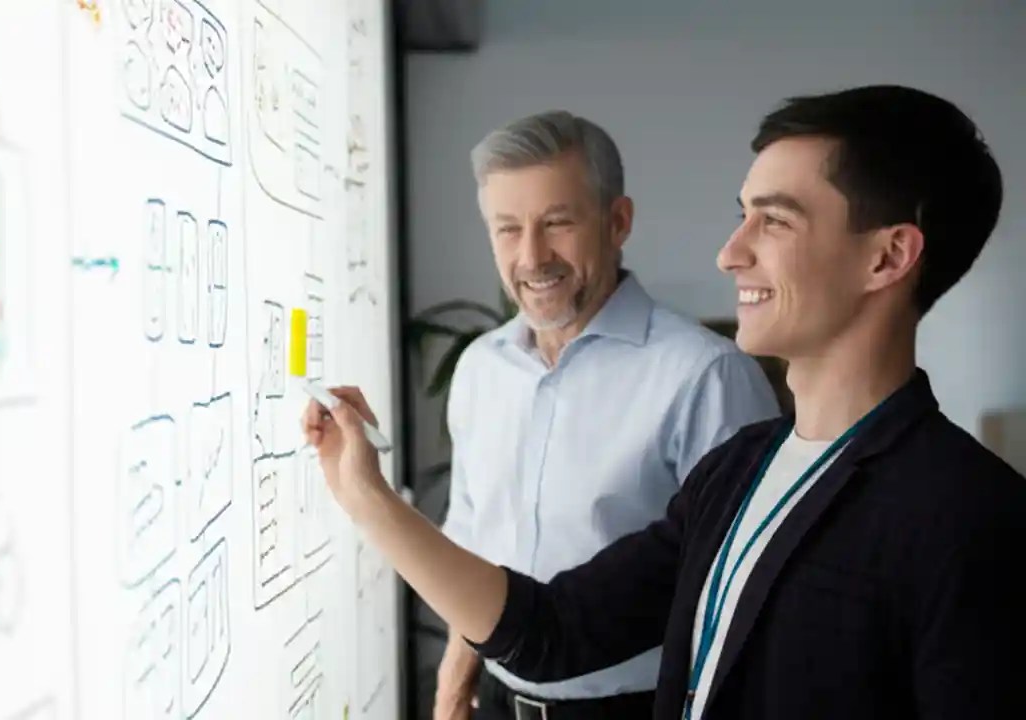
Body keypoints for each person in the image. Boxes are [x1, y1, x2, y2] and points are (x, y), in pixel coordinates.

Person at [304, 84, 1026, 720]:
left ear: (888, 257)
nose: (730, 252)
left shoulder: (975, 520)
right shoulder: (737, 473)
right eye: (741, 214)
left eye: (774, 221)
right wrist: (365, 496)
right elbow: (552, 631)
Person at [431, 110, 779, 719]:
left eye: (557, 223)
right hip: (494, 704)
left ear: (618, 222)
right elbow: (473, 542)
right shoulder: (480, 369)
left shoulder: (707, 376)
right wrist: (456, 682)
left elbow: (745, 602)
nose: (532, 257)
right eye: (507, 229)